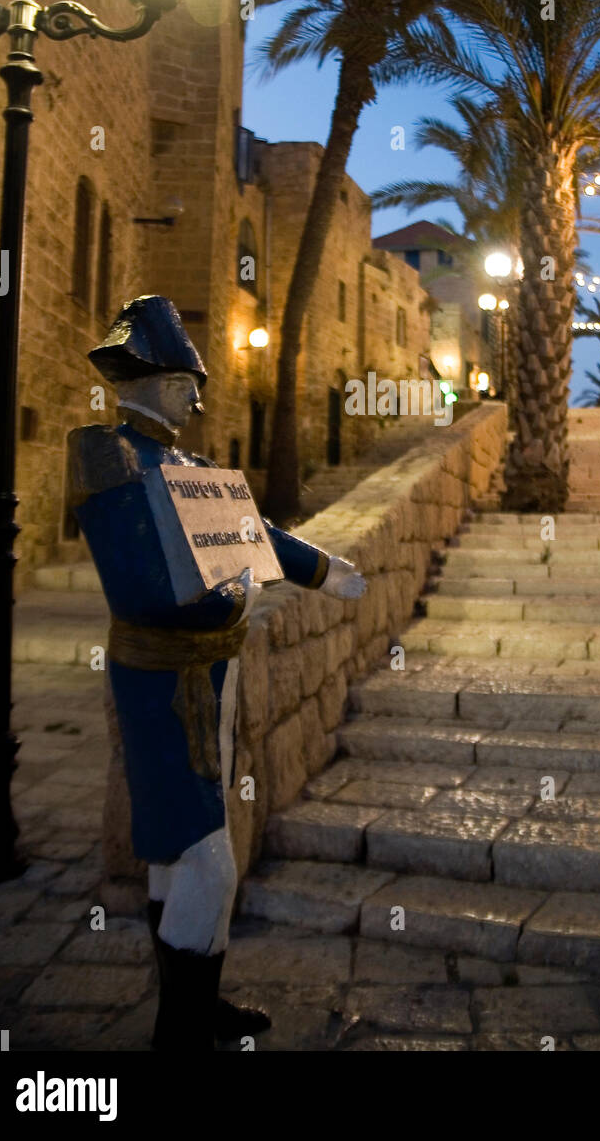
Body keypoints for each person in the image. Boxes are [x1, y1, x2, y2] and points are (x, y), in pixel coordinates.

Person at [67, 295, 366, 1050]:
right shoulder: (113, 458)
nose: (199, 397)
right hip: (169, 684)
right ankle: (185, 1022)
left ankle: (190, 1010)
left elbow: (250, 534)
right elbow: (144, 586)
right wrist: (223, 589)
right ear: (162, 384)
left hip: (211, 679)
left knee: (180, 855)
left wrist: (323, 569)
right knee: (206, 862)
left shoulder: (190, 466)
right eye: (188, 382)